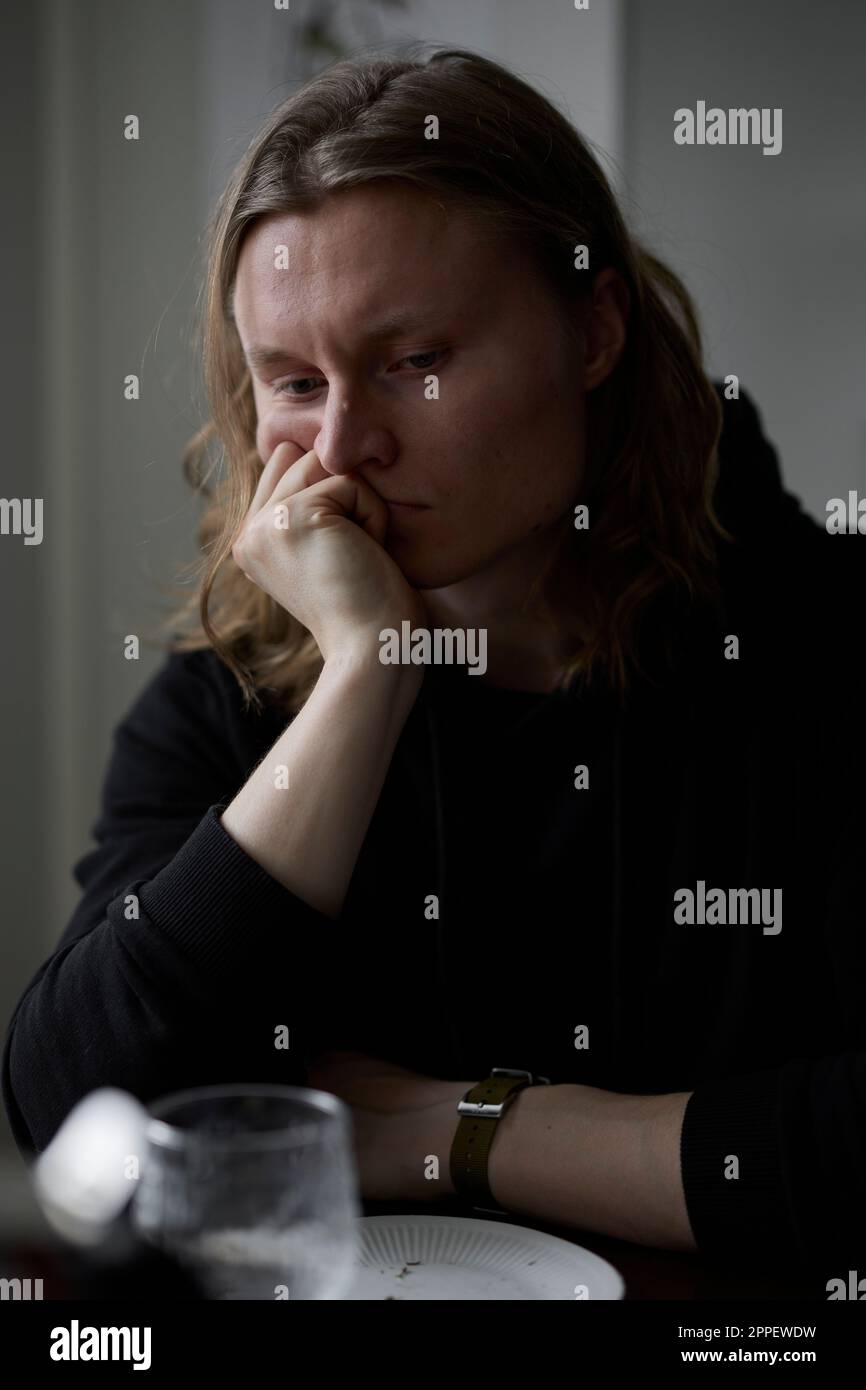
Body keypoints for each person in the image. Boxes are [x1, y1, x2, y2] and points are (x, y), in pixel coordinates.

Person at [3, 45, 864, 1281]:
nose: (346, 444)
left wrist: (443, 1129)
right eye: (294, 382)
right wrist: (363, 674)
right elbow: (83, 1117)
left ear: (593, 330)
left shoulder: (820, 649)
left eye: (416, 362)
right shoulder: (234, 697)